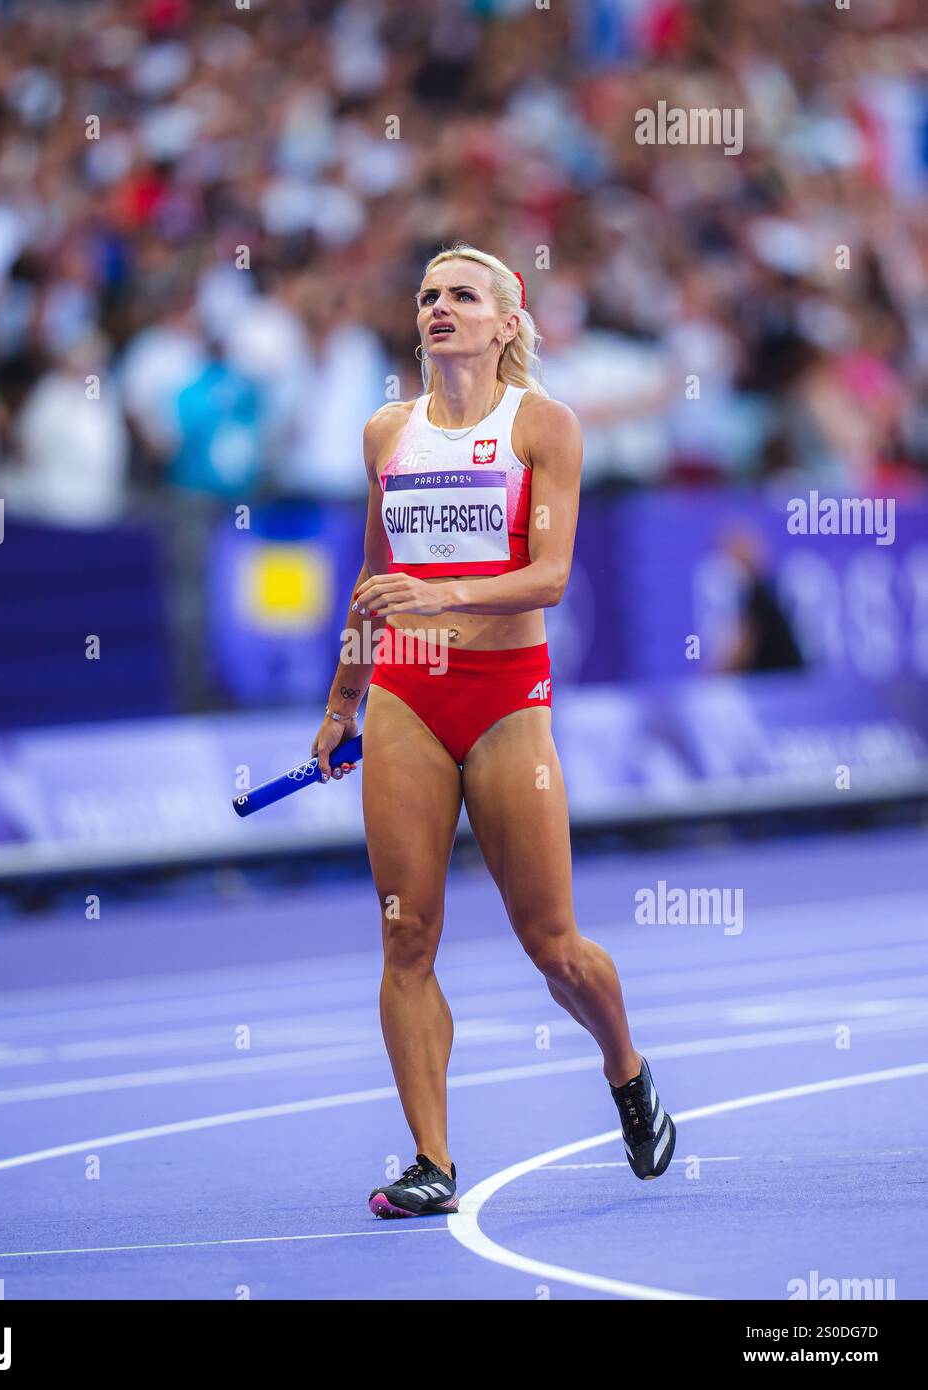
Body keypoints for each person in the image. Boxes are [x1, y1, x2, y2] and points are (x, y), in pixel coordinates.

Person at [311, 242, 676, 1218]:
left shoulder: (542, 425)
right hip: (405, 697)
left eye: (462, 295)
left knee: (552, 943)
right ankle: (431, 1158)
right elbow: (372, 580)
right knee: (405, 937)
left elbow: (550, 577)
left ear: (506, 322)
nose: (439, 306)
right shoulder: (388, 430)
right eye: (427, 293)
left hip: (509, 694)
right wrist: (345, 697)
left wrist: (441, 596)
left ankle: (626, 1067)